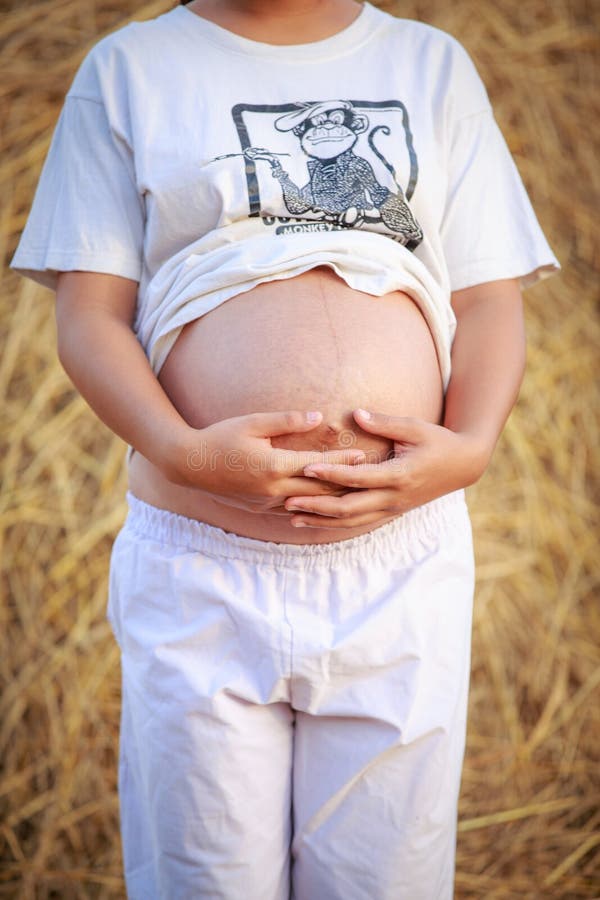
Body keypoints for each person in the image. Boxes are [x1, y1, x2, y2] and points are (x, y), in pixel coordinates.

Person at [11, 0, 559, 897]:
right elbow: (89, 316)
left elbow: (491, 298)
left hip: (399, 566)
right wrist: (181, 451)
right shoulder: (130, 70)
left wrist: (472, 447)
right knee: (205, 874)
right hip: (202, 569)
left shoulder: (430, 65)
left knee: (386, 875)